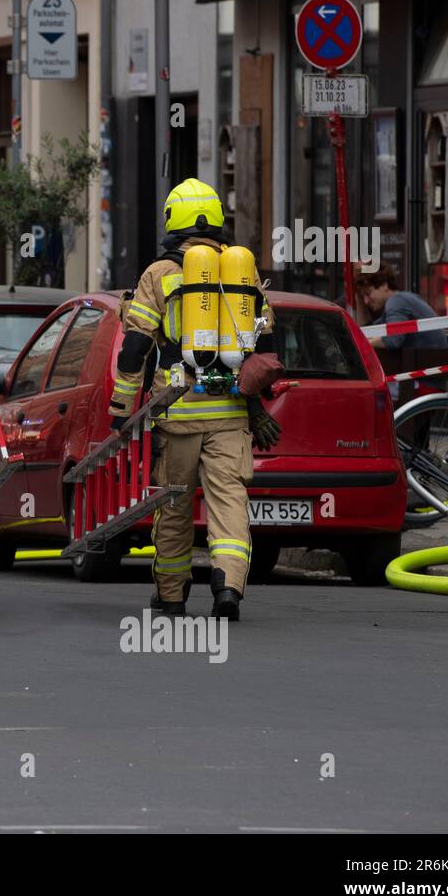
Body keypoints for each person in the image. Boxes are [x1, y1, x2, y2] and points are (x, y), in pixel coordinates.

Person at [107, 178, 280, 622]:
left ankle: (171, 596)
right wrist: (255, 403)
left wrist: (121, 411)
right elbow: (263, 338)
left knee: (174, 505)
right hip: (229, 414)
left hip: (177, 411)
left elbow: (133, 349)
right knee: (229, 504)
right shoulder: (239, 270)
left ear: (174, 219)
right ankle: (228, 587)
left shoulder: (159, 274)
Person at [356, 265, 448, 351]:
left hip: (428, 360)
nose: (366, 301)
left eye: (368, 293)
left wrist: (361, 345)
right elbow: (372, 332)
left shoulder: (396, 302)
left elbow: (393, 340)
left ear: (384, 286)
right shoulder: (402, 299)